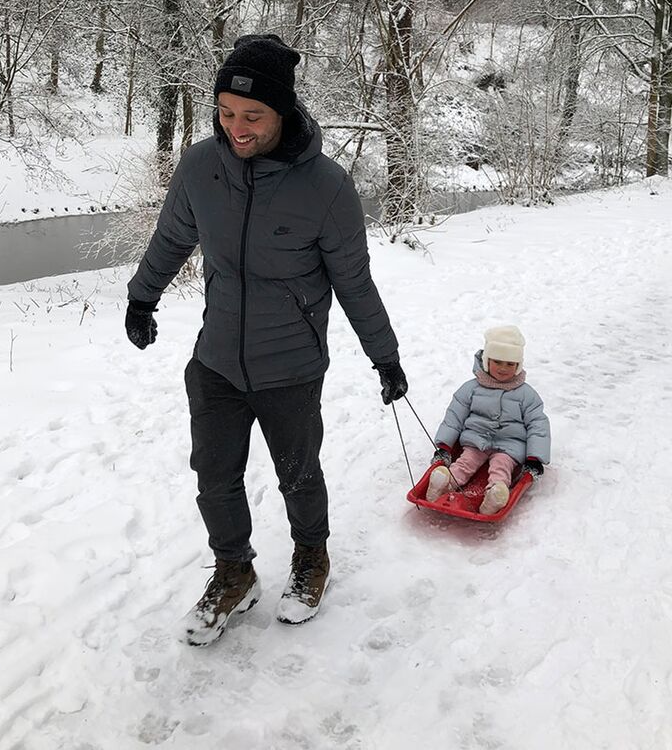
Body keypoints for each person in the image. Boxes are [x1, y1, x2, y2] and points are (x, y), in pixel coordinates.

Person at [125, 33, 407, 645]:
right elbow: (172, 238)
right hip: (217, 360)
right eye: (226, 113)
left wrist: (384, 357)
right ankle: (233, 572)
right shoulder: (201, 167)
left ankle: (311, 558)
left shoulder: (326, 188)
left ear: (285, 112)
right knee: (214, 475)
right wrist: (141, 296)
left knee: (298, 473)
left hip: (291, 365)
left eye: (253, 115)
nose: (237, 128)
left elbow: (354, 284)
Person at [425, 325, 549, 514]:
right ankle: (444, 483)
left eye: (510, 364)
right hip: (476, 440)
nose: (503, 368)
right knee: (465, 463)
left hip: (509, 445)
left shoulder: (526, 394)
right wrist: (444, 446)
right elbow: (453, 418)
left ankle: (495, 496)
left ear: (518, 366)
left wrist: (535, 458)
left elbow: (538, 425)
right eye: (498, 361)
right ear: (486, 360)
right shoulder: (471, 388)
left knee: (501, 467)